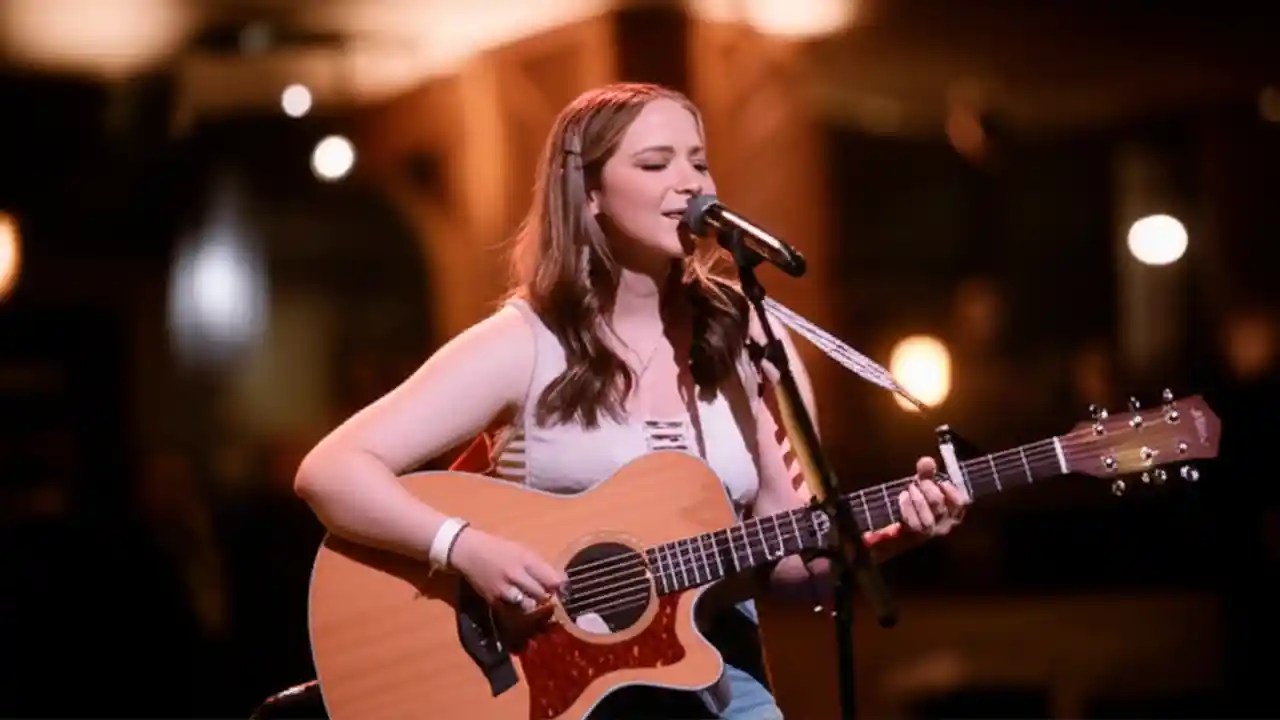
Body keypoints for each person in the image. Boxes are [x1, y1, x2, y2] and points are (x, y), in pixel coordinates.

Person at [293, 81, 970, 719]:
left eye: (699, 163)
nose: (691, 183)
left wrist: (891, 538)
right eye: (655, 163)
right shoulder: (525, 343)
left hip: (715, 679)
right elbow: (331, 471)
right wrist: (464, 548)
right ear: (588, 195)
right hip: (547, 689)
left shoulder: (751, 345)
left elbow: (792, 571)